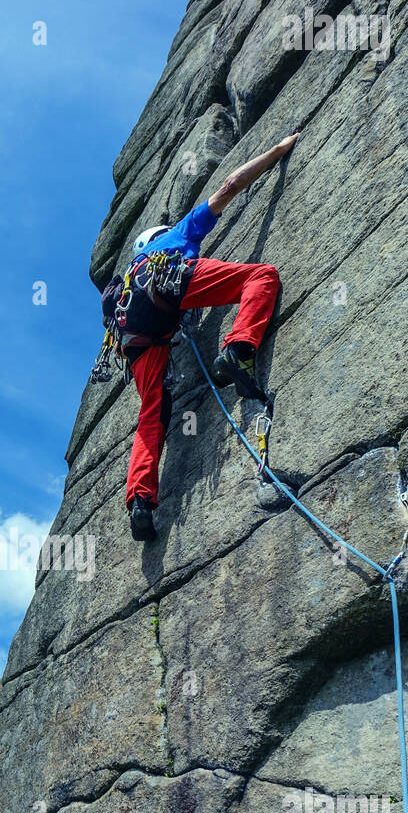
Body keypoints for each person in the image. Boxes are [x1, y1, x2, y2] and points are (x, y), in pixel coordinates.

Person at [119, 132, 300, 541]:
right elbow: (229, 186)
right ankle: (238, 350)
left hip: (135, 335)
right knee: (261, 276)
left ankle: (141, 501)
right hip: (169, 289)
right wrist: (278, 148)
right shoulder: (174, 239)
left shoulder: (127, 280)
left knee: (152, 414)